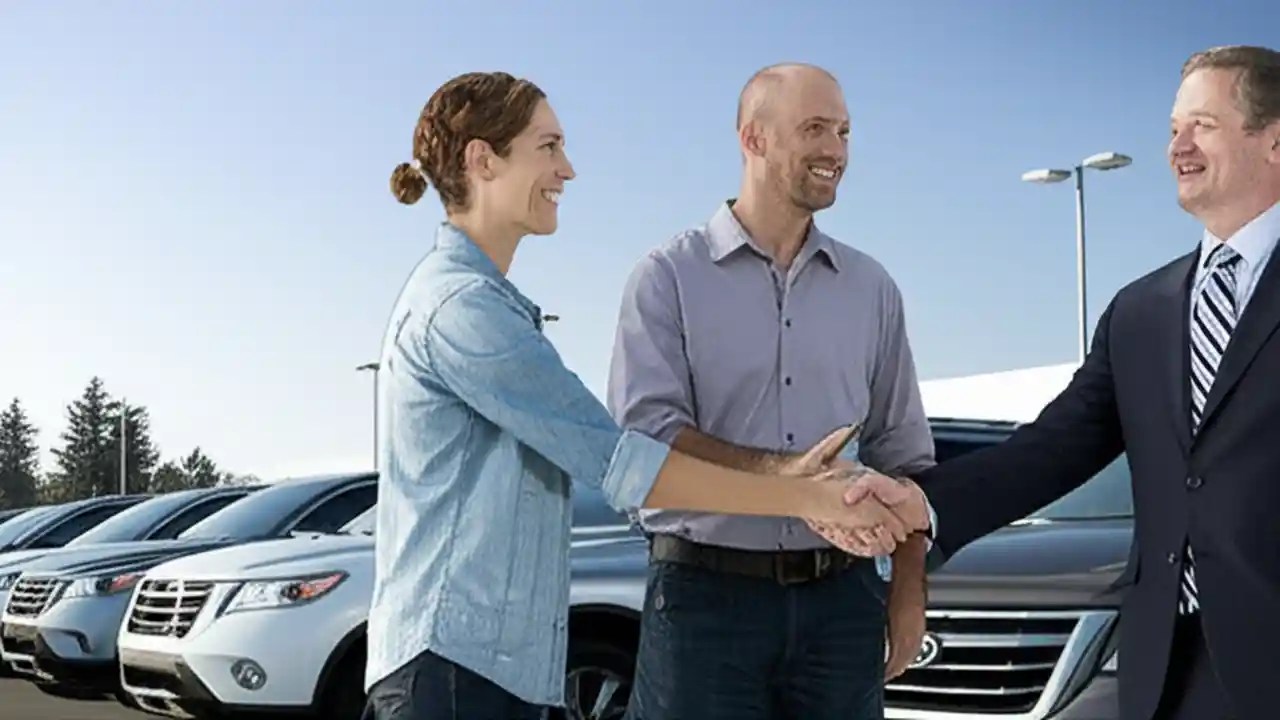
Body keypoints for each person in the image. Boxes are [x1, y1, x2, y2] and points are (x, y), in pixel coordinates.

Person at [362, 71, 908, 720]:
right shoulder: (463, 309)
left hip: (481, 667)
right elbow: (620, 464)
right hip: (453, 672)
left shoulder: (483, 302)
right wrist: (800, 494)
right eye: (548, 147)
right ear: (483, 160)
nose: (567, 169)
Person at [849, 45, 1280, 720]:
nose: (1178, 146)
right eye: (1172, 129)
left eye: (1203, 125)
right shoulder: (1141, 311)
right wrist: (917, 503)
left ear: (1274, 142)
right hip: (1165, 669)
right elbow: (1053, 448)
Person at [607, 62, 935, 720]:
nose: (835, 151)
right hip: (704, 601)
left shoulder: (872, 289)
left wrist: (907, 592)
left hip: (841, 608)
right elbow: (650, 439)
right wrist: (792, 477)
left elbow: (904, 453)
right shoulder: (666, 277)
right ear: (752, 139)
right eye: (815, 129)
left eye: (843, 132)